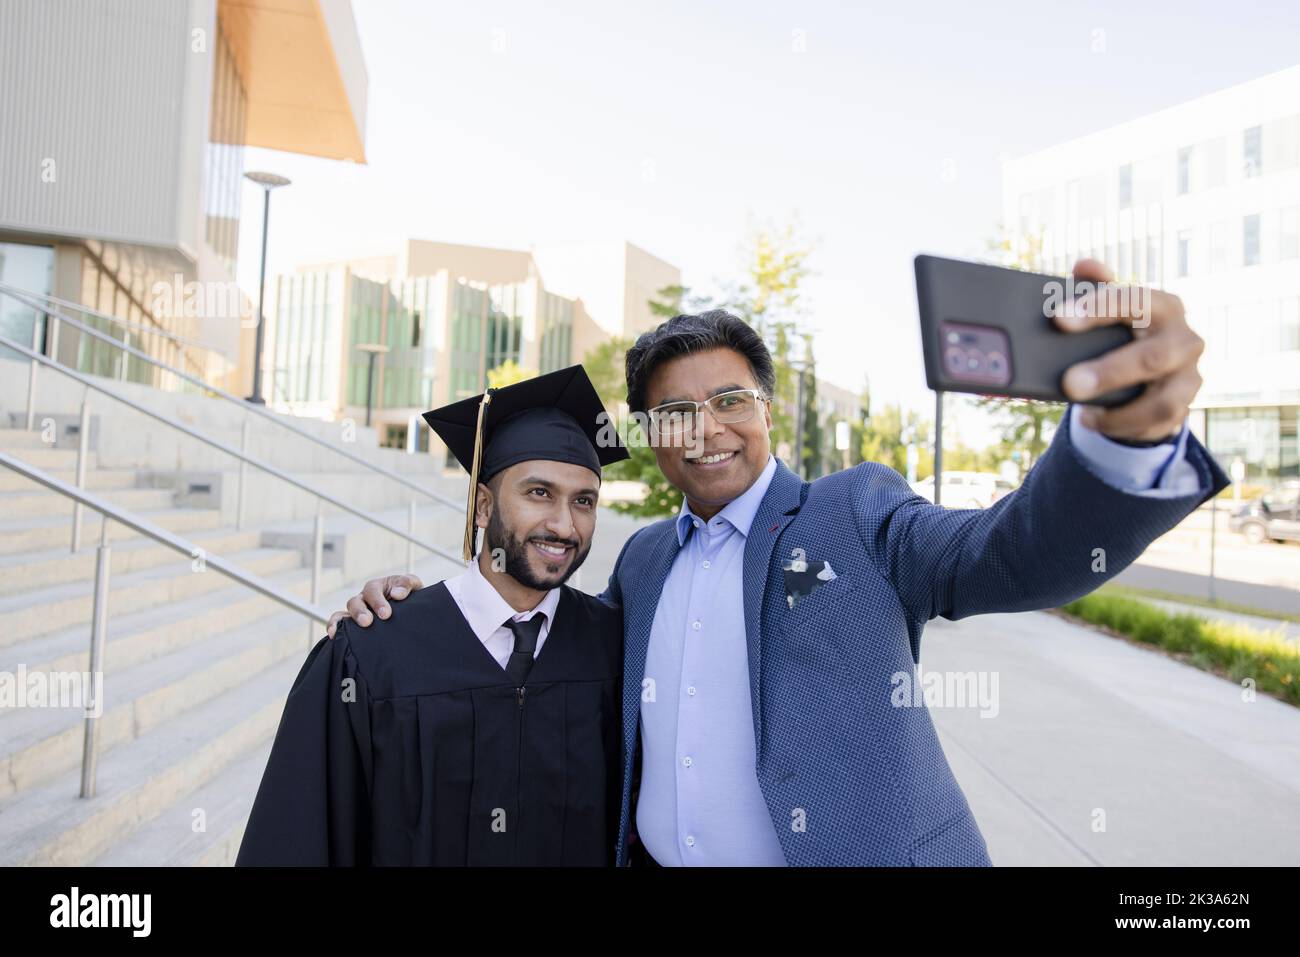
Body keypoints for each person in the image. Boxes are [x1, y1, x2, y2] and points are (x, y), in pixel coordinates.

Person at [333, 260, 1229, 866]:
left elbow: (1005, 553)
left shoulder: (856, 511)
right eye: (677, 413)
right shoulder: (642, 564)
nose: (709, 426)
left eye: (731, 398)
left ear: (767, 409)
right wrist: (415, 612)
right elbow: (544, 643)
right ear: (651, 439)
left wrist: (1119, 444)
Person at [236, 365, 628, 866]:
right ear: (483, 507)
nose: (563, 524)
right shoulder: (372, 650)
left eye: (584, 501)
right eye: (539, 493)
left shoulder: (613, 644)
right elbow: (299, 832)